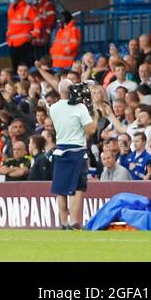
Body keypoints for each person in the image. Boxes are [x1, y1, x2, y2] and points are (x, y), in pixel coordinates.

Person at [48, 80, 96, 230]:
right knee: (78, 187)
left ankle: (63, 222)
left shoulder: (53, 108)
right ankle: (73, 221)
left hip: (60, 148)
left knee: (61, 189)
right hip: (77, 150)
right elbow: (90, 131)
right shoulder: (80, 107)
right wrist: (94, 115)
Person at [5, 0, 36, 72]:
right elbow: (10, 24)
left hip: (24, 42)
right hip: (12, 43)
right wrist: (8, 35)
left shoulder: (27, 8)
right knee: (15, 67)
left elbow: (37, 22)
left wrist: (33, 34)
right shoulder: (11, 8)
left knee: (25, 65)